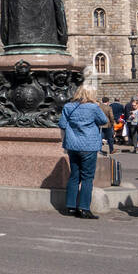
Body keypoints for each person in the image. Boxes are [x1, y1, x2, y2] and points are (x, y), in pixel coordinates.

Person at [57, 85, 107, 219]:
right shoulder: (93, 107)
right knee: (87, 178)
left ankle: (71, 206)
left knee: (74, 176)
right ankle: (84, 208)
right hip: (88, 145)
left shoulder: (68, 106)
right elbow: (104, 121)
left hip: (73, 145)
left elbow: (62, 124)